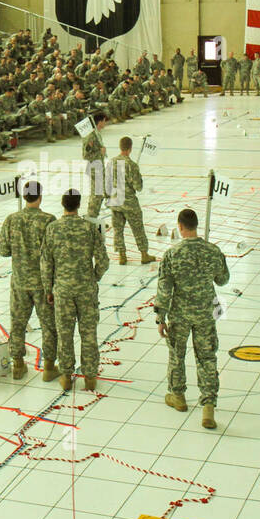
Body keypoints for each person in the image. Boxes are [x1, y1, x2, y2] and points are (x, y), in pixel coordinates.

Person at [155, 207, 230, 430]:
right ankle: (208, 405)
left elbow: (164, 288)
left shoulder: (172, 254)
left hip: (180, 313)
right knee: (207, 357)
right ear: (196, 226)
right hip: (207, 311)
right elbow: (223, 280)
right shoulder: (212, 251)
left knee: (177, 353)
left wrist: (160, 317)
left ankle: (177, 396)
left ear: (179, 227)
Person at [41, 189, 109, 391]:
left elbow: (46, 263)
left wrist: (48, 289)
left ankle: (66, 375)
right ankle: (89, 377)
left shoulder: (52, 229)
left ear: (63, 205)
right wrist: (93, 277)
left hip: (62, 289)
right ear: (78, 205)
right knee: (88, 333)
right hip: (86, 289)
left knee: (64, 334)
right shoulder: (89, 228)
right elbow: (103, 261)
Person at [0, 179, 58, 382]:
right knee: (48, 325)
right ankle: (49, 367)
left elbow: (3, 250)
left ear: (24, 197)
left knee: (18, 324)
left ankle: (18, 365)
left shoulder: (12, 219)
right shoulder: (48, 220)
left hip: (20, 282)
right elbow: (55, 253)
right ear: (40, 197)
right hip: (43, 283)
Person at [107, 136, 156, 266]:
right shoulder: (132, 165)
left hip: (115, 201)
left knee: (118, 229)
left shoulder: (111, 162)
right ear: (130, 148)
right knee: (137, 228)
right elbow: (138, 187)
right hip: (129, 202)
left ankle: (122, 255)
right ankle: (144, 254)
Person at [82, 112, 108, 217]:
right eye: (104, 121)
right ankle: (91, 217)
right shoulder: (91, 136)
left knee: (99, 194)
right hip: (94, 168)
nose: (105, 123)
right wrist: (99, 152)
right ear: (100, 122)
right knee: (96, 195)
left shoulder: (97, 134)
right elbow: (85, 155)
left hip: (99, 167)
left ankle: (93, 216)